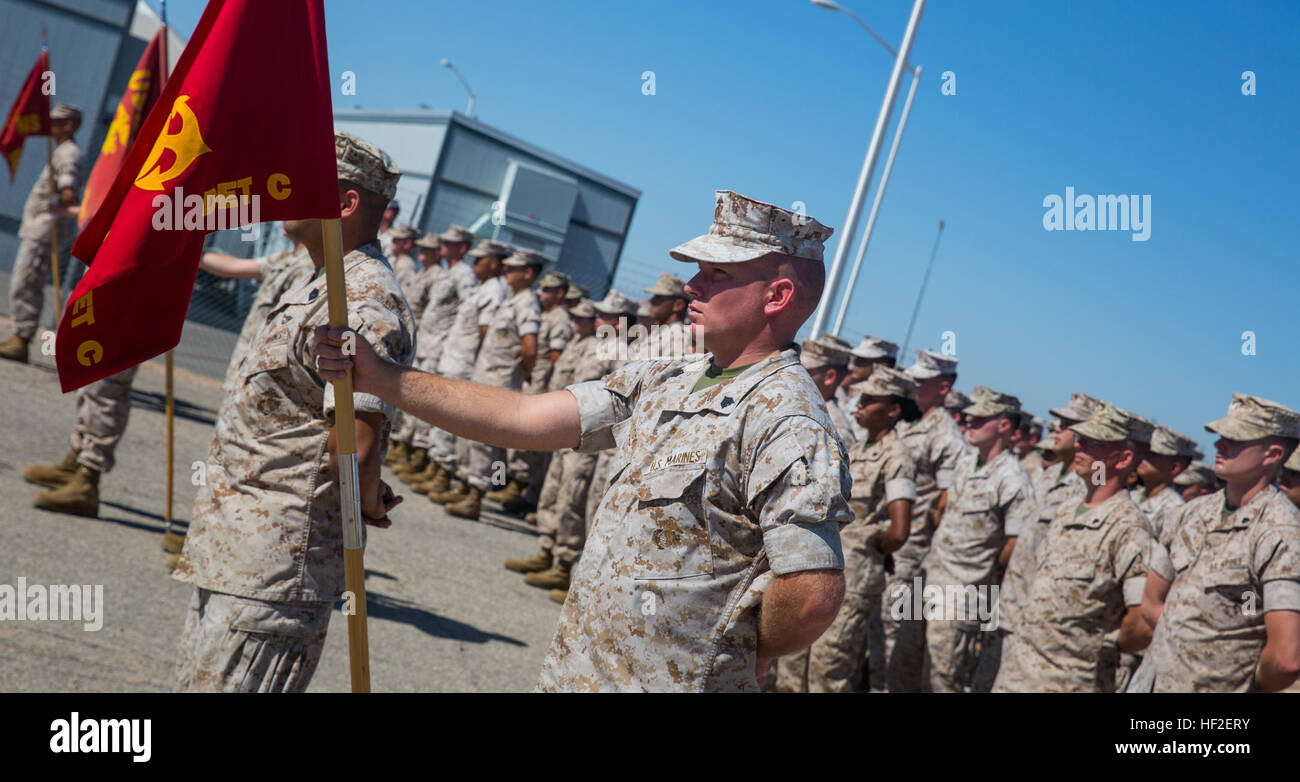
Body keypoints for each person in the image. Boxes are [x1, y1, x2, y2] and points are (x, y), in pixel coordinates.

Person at [313, 189, 854, 691]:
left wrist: (735, 649)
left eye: (716, 272)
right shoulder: (666, 377)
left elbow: (810, 595)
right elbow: (526, 416)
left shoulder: (786, 416)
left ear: (777, 296)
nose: (693, 285)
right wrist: (384, 378)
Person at [171, 132, 415, 693]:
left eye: (307, 183)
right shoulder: (320, 278)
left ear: (347, 204)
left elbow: (354, 445)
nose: (286, 191)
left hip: (275, 568)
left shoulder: (363, 298)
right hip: (238, 549)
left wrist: (367, 489)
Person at [1132, 394, 1300, 692]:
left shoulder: (1280, 533)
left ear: (1272, 454)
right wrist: (1191, 645)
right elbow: (1151, 603)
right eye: (1221, 435)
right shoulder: (1188, 514)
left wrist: (1233, 678)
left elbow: (1285, 659)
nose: (1219, 445)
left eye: (1236, 439)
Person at [993, 402, 1155, 692]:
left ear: (1122, 458)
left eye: (1094, 442)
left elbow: (1142, 623)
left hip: (1068, 681)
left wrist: (1094, 646)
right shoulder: (1069, 509)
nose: (1080, 444)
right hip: (1018, 673)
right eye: (1081, 437)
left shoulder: (1128, 526)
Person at [775, 366, 917, 692]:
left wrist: (869, 547)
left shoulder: (897, 455)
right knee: (795, 664)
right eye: (861, 397)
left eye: (870, 400)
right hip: (827, 568)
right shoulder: (863, 447)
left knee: (829, 670)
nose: (860, 405)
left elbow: (899, 530)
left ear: (893, 410)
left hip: (857, 577)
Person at [504, 292, 634, 597]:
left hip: (592, 439)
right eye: (599, 314)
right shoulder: (590, 343)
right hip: (571, 433)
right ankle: (547, 550)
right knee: (555, 490)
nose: (599, 318)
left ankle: (565, 566)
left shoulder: (621, 351)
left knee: (573, 500)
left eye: (608, 315)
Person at [923, 388, 1036, 693]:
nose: (970, 422)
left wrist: (985, 576)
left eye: (980, 419)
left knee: (944, 680)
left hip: (963, 595)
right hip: (932, 580)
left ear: (1004, 426)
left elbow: (1014, 548)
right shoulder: (968, 460)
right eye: (970, 418)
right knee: (920, 674)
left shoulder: (1012, 479)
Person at [881, 348, 965, 692]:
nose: (916, 383)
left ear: (943, 386)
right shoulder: (907, 421)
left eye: (924, 379)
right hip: (885, 538)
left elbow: (944, 500)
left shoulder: (946, 435)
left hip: (912, 548)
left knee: (894, 626)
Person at [444, 249, 543, 520]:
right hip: (486, 377)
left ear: (529, 273)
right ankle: (478, 484)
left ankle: (476, 494)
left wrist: (521, 374)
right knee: (488, 442)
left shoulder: (527, 303)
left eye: (514, 268)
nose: (507, 271)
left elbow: (530, 347)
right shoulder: (513, 300)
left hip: (499, 381)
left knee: (486, 441)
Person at [424, 238, 511, 503]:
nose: (475, 265)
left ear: (494, 263)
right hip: (455, 359)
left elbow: (484, 332)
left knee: (461, 425)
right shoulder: (484, 288)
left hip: (466, 364)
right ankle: (443, 472)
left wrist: (475, 363)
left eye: (480, 260)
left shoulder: (494, 291)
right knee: (448, 420)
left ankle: (456, 478)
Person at [395, 224, 478, 485]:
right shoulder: (447, 272)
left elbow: (468, 312)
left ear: (462, 247)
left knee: (431, 401)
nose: (444, 246)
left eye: (449, 243)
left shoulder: (464, 274)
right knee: (415, 397)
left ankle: (423, 455)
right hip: (428, 342)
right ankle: (410, 448)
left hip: (444, 346)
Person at [1, 103, 83, 363]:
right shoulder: (60, 150)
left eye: (56, 122)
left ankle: (22, 337)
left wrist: (64, 199)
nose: (51, 127)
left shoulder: (68, 153)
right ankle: (19, 334)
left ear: (68, 126)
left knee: (26, 281)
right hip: (40, 225)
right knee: (25, 281)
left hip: (46, 227)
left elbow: (70, 193)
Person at [491, 269, 573, 512]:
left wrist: (542, 384)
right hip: (526, 381)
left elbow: (555, 357)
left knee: (523, 442)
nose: (541, 293)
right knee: (506, 438)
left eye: (547, 289)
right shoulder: (543, 313)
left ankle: (519, 486)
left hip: (538, 384)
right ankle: (500, 481)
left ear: (559, 293)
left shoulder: (560, 318)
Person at [1132, 425, 1198, 538]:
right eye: (1145, 451)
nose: (1145, 457)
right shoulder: (1133, 494)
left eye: (1153, 455)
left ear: (1174, 468)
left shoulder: (1173, 509)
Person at [836, 335, 898, 442]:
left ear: (883, 366)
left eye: (863, 360)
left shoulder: (884, 402)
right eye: (856, 358)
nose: (855, 363)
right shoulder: (856, 394)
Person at [800, 334, 858, 448]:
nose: (796, 375)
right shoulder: (802, 405)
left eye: (806, 372)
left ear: (829, 377)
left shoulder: (835, 430)